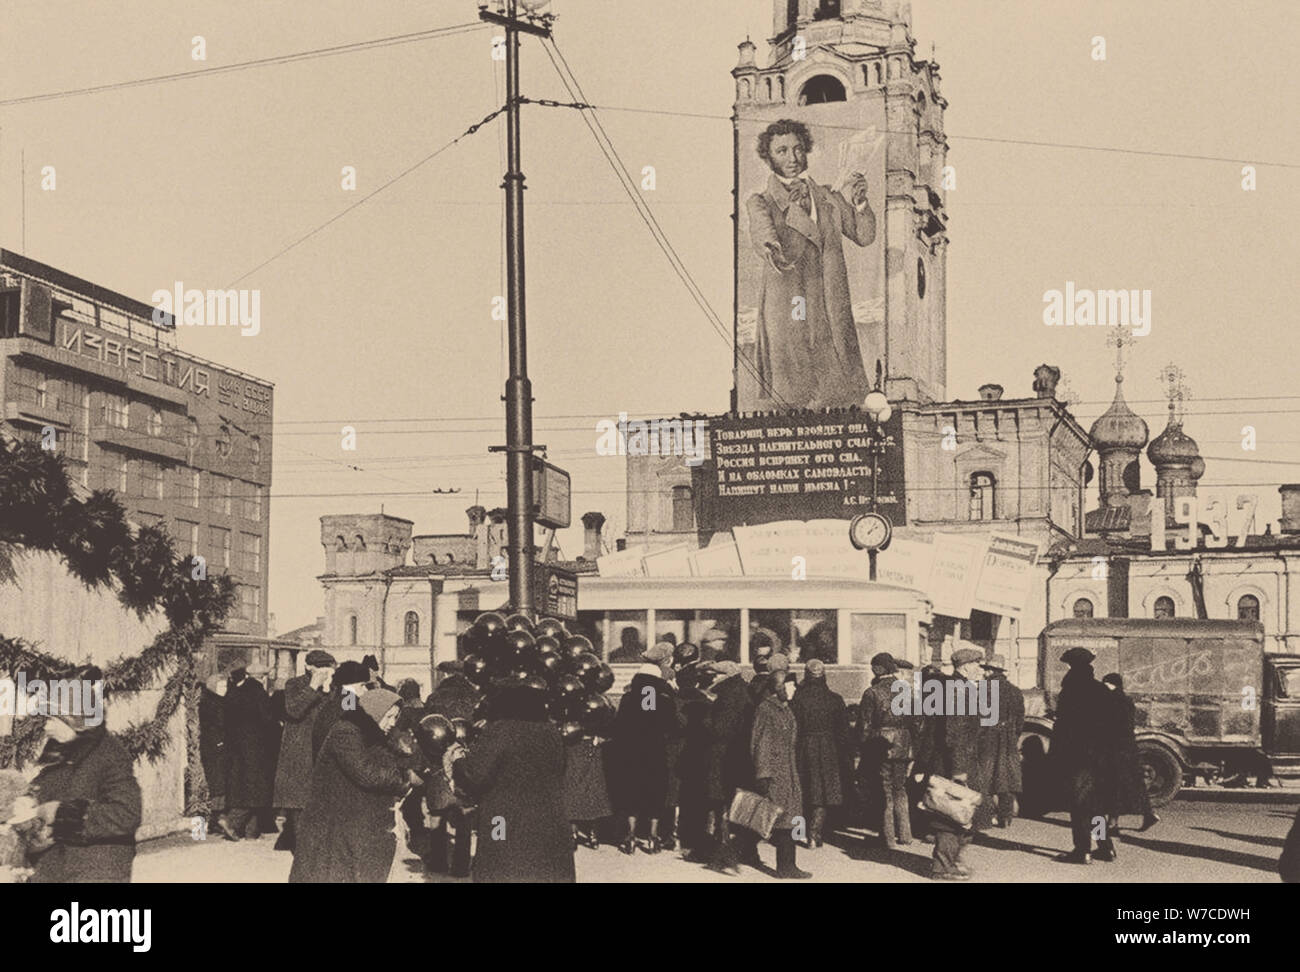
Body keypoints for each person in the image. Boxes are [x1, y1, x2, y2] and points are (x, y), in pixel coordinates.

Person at [746, 118, 876, 408]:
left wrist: (860, 203)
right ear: (769, 157)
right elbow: (763, 234)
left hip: (828, 298)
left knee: (837, 381)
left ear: (806, 151)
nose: (792, 158)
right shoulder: (761, 202)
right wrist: (773, 248)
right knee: (794, 386)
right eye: (782, 151)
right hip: (791, 300)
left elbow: (864, 236)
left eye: (797, 149)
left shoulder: (828, 196)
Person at [448, 679, 575, 883]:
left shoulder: (500, 731)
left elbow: (476, 776)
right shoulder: (552, 734)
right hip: (549, 820)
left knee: (500, 864)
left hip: (503, 820)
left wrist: (458, 760)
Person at [289, 688, 419, 883]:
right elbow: (366, 773)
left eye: (396, 717)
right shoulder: (346, 732)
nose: (392, 723)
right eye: (389, 716)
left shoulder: (371, 734)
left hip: (349, 821)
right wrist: (405, 779)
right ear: (375, 711)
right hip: (331, 825)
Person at [28, 667, 142, 883]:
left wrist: (61, 814)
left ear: (74, 718)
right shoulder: (59, 752)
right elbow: (41, 791)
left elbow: (126, 814)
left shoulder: (109, 754)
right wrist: (26, 802)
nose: (46, 727)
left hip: (98, 867)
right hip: (58, 865)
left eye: (53, 719)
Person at [926, 648, 996, 880]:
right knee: (952, 815)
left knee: (965, 815)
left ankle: (951, 861)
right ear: (966, 666)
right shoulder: (957, 690)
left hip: (961, 760)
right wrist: (959, 770)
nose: (980, 669)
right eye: (977, 664)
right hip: (956, 764)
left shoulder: (958, 687)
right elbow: (954, 733)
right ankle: (942, 867)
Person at [607, 643, 679, 854]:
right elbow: (658, 719)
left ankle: (630, 836)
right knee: (656, 790)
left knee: (632, 791)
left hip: (631, 751)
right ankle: (653, 836)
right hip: (654, 749)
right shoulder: (654, 691)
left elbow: (621, 724)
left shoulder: (631, 693)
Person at [1051, 646, 1117, 864]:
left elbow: (1063, 727)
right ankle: (1105, 847)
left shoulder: (1070, 690)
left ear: (1071, 665)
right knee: (1096, 805)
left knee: (1079, 805)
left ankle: (1082, 850)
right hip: (1100, 757)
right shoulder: (1102, 690)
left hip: (1077, 757)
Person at [422, 660, 484, 877]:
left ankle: (438, 860)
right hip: (465, 761)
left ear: (447, 674)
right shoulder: (476, 697)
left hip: (438, 761)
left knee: (437, 812)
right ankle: (461, 865)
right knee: (465, 815)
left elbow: (426, 730)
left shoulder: (436, 697)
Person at [750, 655, 810, 878]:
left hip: (788, 770)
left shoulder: (785, 708)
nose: (794, 690)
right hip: (775, 772)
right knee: (782, 820)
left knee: (791, 817)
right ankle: (785, 867)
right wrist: (763, 775)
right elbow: (761, 744)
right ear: (778, 688)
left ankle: (788, 864)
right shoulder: (767, 710)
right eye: (790, 686)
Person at [272, 650, 336, 852]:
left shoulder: (337, 688)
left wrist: (337, 692)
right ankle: (302, 851)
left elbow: (349, 712)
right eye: (320, 666)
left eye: (328, 666)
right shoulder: (295, 685)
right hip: (301, 753)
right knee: (300, 804)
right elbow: (294, 710)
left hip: (325, 752)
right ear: (309, 667)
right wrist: (313, 687)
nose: (325, 671)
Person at [702, 660, 755, 871]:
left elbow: (720, 729)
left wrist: (706, 719)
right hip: (738, 755)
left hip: (722, 755)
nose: (711, 678)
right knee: (731, 800)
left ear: (724, 676)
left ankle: (723, 849)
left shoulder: (727, 697)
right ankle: (733, 849)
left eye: (714, 674)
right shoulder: (742, 692)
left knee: (721, 801)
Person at [790, 658, 848, 847]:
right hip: (827, 749)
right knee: (821, 793)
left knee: (801, 790)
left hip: (803, 746)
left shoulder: (798, 699)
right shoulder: (835, 699)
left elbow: (792, 726)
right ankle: (815, 835)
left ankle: (798, 832)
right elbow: (843, 732)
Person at [860, 652, 913, 849]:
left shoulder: (871, 692)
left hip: (880, 744)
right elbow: (916, 721)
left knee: (884, 792)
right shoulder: (905, 690)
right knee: (900, 788)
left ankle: (887, 837)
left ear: (876, 669)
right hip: (903, 744)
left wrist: (862, 749)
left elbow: (864, 725)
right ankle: (906, 834)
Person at [221, 662, 276, 841]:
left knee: (248, 788)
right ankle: (232, 822)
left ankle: (251, 832)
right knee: (256, 790)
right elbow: (268, 720)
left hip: (238, 749)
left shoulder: (236, 692)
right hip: (257, 749)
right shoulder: (259, 692)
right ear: (262, 677)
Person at [1101, 673, 1159, 836]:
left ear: (1112, 685)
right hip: (1128, 749)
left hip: (1112, 751)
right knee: (1132, 784)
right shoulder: (1126, 701)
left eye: (1106, 684)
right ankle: (1148, 813)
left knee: (1105, 790)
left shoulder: (1109, 702)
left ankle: (1105, 832)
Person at [983, 655, 1024, 829]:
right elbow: (1020, 720)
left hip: (988, 736)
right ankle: (1005, 817)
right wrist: (1013, 735)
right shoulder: (1015, 690)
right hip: (1008, 738)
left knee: (986, 776)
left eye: (986, 670)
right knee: (1006, 776)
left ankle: (988, 814)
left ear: (990, 671)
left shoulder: (984, 689)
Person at [312, 660, 370, 758]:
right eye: (362, 685)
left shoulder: (334, 703)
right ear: (349, 685)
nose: (366, 690)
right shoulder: (348, 703)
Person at [198, 672, 227, 837]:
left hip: (216, 749)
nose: (224, 689)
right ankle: (209, 825)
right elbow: (212, 727)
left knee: (219, 786)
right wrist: (219, 742)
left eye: (225, 686)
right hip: (214, 750)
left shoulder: (216, 701)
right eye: (221, 686)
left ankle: (214, 823)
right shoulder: (210, 703)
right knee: (217, 786)